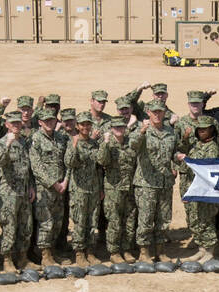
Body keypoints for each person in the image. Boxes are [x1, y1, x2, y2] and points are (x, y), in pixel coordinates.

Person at [130, 99, 180, 261]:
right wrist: (142, 132)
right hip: (146, 183)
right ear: (148, 113)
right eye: (154, 112)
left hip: (165, 182)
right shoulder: (141, 129)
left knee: (164, 218)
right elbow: (133, 146)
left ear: (165, 113)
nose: (157, 114)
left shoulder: (170, 132)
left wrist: (177, 158)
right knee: (146, 218)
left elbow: (173, 152)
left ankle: (160, 250)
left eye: (160, 111)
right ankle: (144, 252)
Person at [175, 115, 219, 261]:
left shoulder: (212, 147)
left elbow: (206, 167)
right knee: (194, 219)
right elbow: (181, 148)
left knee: (205, 220)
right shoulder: (196, 144)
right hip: (192, 189)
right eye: (200, 129)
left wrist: (189, 161)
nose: (202, 131)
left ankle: (209, 250)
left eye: (205, 129)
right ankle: (202, 248)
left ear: (211, 130)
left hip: (205, 192)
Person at [0, 109, 35, 270]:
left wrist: (30, 186)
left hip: (23, 191)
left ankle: (22, 258)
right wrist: (8, 144)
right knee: (9, 227)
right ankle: (7, 259)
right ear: (7, 125)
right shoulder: (1, 142)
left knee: (26, 226)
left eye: (19, 122)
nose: (17, 125)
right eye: (13, 123)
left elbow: (27, 167)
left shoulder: (24, 142)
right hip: (8, 192)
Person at [29, 107, 70, 265]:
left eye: (52, 120)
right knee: (45, 222)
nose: (49, 123)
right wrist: (53, 184)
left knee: (57, 221)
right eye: (46, 121)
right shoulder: (36, 139)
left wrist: (65, 181)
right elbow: (36, 166)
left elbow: (68, 162)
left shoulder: (61, 138)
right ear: (40, 122)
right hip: (44, 189)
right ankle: (45, 255)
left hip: (60, 188)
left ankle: (52, 252)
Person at [96, 115, 138, 263]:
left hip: (129, 188)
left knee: (129, 220)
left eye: (121, 127)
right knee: (114, 221)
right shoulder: (108, 143)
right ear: (111, 129)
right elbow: (101, 160)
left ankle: (126, 249)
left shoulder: (130, 143)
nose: (119, 129)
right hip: (113, 189)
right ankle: (114, 252)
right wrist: (106, 143)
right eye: (116, 127)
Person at [65, 112, 102, 266]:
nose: (86, 127)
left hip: (93, 189)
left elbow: (99, 168)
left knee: (93, 222)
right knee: (80, 222)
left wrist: (100, 188)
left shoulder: (94, 144)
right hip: (79, 190)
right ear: (78, 126)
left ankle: (90, 252)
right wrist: (74, 146)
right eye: (82, 124)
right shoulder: (73, 142)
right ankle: (79, 253)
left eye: (88, 124)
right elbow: (69, 162)